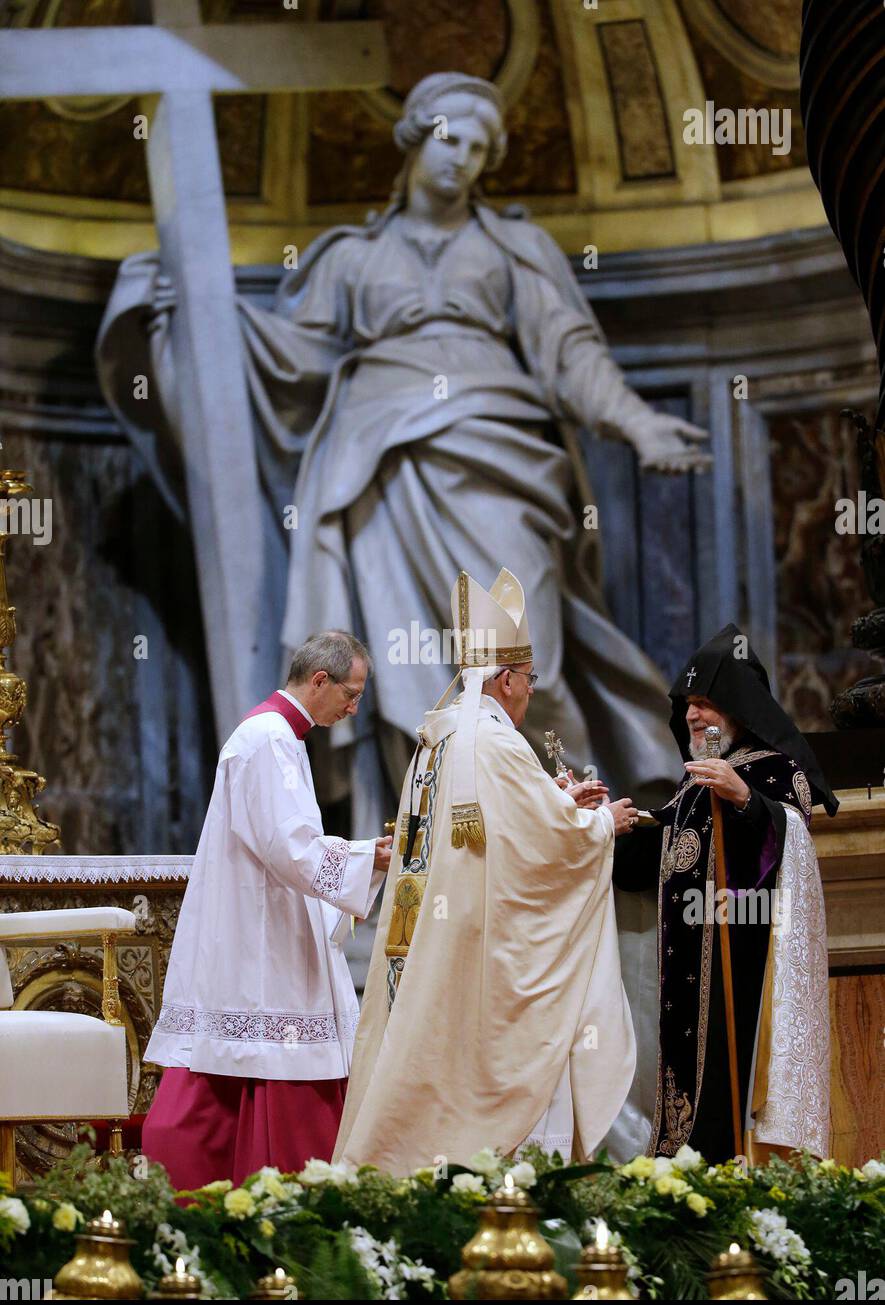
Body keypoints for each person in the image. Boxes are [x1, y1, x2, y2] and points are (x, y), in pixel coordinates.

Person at [98, 70, 709, 828]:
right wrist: (193, 313)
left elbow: (571, 353)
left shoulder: (514, 246)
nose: (463, 159)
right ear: (417, 139)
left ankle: (552, 838)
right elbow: (288, 357)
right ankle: (423, 851)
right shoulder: (350, 257)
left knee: (525, 655)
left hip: (499, 456)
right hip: (379, 465)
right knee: (408, 667)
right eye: (452, 138)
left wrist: (638, 423)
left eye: (481, 148)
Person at [333, 568, 638, 1176]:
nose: (530, 690)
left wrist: (553, 801)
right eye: (527, 679)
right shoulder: (495, 741)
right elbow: (544, 851)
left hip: (427, 934)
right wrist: (601, 824)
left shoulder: (439, 730)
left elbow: (486, 828)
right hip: (481, 945)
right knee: (486, 1071)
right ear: (504, 678)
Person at [142, 632, 392, 1188]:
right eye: (350, 694)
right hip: (258, 935)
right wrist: (367, 856)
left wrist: (359, 861)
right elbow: (290, 847)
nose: (354, 708)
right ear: (319, 680)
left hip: (265, 919)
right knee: (262, 1060)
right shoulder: (268, 739)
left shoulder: (277, 736)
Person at [613, 623, 838, 1164]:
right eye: (689, 704)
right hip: (685, 979)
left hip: (745, 968)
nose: (693, 715)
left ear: (739, 708)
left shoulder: (780, 772)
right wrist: (600, 826)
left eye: (708, 703)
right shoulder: (694, 784)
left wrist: (744, 802)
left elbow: (788, 840)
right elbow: (654, 857)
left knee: (728, 1091)